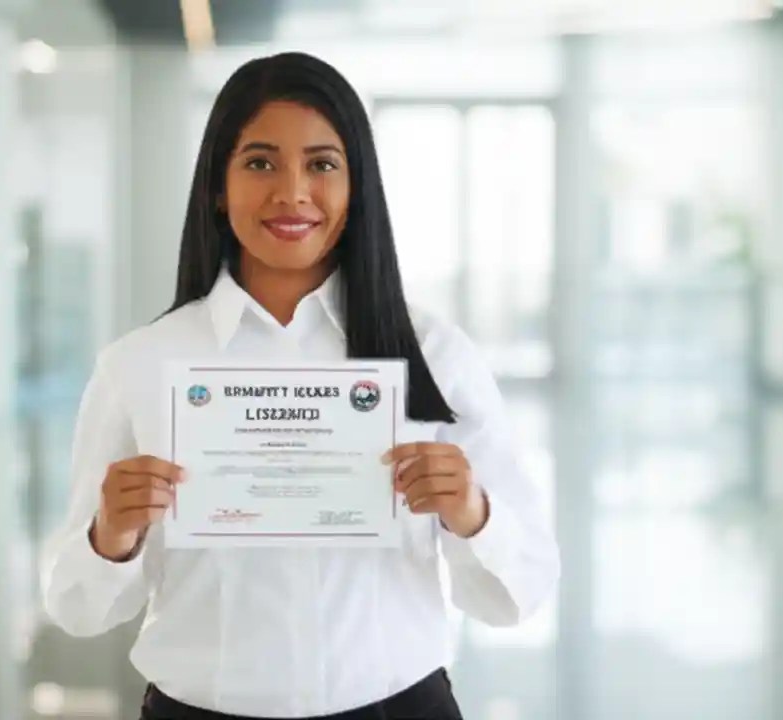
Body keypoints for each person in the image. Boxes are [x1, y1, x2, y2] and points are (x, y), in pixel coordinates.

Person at [40, 52, 559, 720]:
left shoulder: (433, 355)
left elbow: (524, 590)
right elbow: (76, 607)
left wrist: (473, 513)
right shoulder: (141, 365)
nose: (291, 192)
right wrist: (109, 534)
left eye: (322, 164)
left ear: (356, 187)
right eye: (259, 163)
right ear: (218, 188)